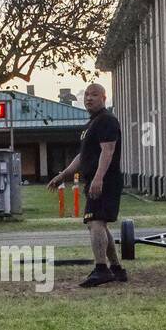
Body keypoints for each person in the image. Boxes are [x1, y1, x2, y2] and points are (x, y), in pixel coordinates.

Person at [48, 82, 126, 287]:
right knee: (99, 223)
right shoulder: (91, 124)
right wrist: (62, 175)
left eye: (94, 95)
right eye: (87, 96)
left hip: (105, 179)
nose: (89, 98)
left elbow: (107, 151)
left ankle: (101, 269)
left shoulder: (107, 121)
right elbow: (83, 156)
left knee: (95, 222)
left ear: (104, 98)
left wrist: (99, 178)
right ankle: (116, 269)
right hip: (93, 179)